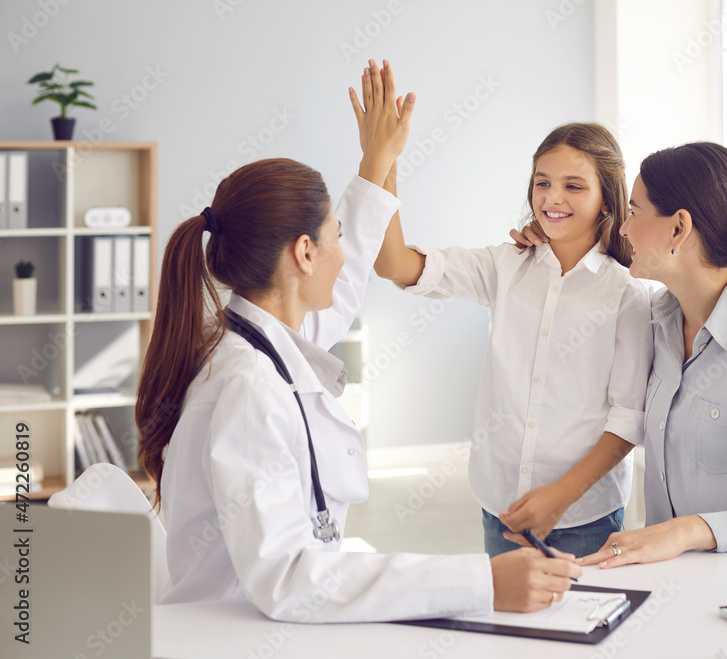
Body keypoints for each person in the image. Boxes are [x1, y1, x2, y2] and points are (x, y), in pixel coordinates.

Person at [135, 59, 579, 623]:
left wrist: (379, 161)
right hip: (238, 632)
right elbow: (290, 580)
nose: (344, 256)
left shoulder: (257, 339)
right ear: (303, 253)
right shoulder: (249, 387)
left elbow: (342, 287)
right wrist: (481, 581)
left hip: (257, 618)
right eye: (336, 237)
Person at [515, 142, 727, 567]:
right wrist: (547, 245)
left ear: (678, 228)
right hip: (678, 585)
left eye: (634, 213)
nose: (623, 228)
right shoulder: (656, 320)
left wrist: (692, 530)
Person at [373, 123, 653, 558]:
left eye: (573, 186)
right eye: (543, 183)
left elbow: (627, 419)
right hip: (501, 503)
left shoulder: (627, 293)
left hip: (583, 515)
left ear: (606, 199)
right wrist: (382, 160)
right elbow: (394, 263)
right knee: (507, 621)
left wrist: (559, 497)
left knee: (581, 623)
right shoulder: (506, 266)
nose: (552, 198)